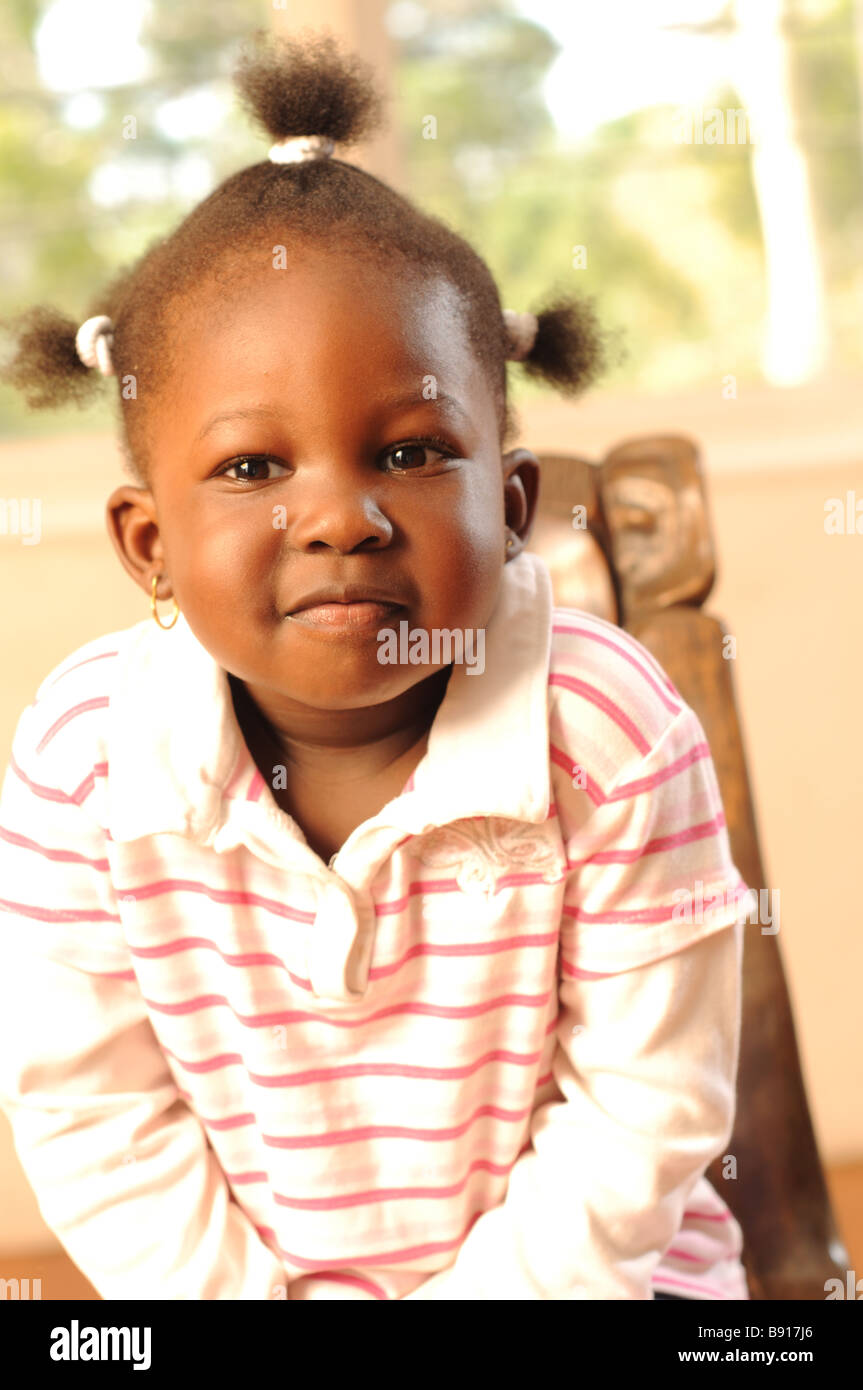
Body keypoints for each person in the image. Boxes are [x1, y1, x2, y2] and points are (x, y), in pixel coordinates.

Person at [0, 31, 752, 1301]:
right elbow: (94, 1113)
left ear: (509, 504)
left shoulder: (604, 731)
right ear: (149, 546)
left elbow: (643, 1112)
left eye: (409, 451)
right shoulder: (87, 759)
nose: (341, 516)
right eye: (252, 469)